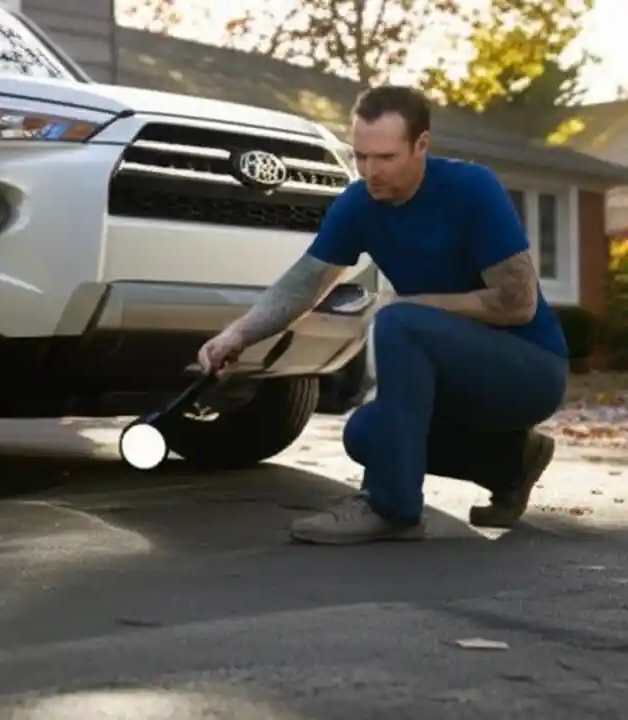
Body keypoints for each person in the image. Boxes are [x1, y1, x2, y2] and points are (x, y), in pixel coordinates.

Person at [196, 85, 570, 545]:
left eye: (386, 157)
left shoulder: (471, 189)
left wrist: (411, 306)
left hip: (527, 369)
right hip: (449, 372)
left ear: (422, 145)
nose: (371, 172)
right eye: (361, 157)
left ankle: (391, 507)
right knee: (367, 434)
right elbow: (305, 283)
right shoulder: (359, 204)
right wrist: (237, 334)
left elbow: (518, 304)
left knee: (398, 322)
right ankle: (512, 462)